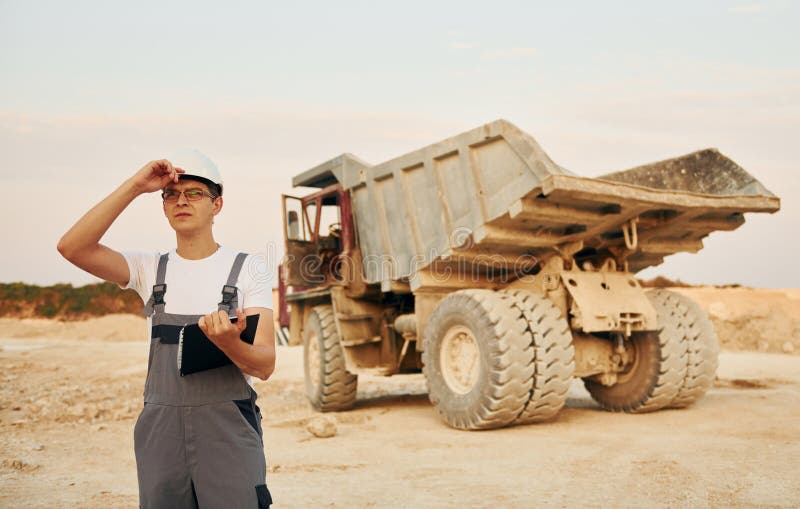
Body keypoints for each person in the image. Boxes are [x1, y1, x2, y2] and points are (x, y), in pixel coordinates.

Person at [57, 149, 275, 508]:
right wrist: (135, 186)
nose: (181, 201)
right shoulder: (149, 269)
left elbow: (264, 364)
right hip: (161, 433)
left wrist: (228, 344)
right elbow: (72, 247)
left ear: (216, 205)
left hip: (227, 430)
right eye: (171, 195)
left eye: (194, 194)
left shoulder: (248, 268)